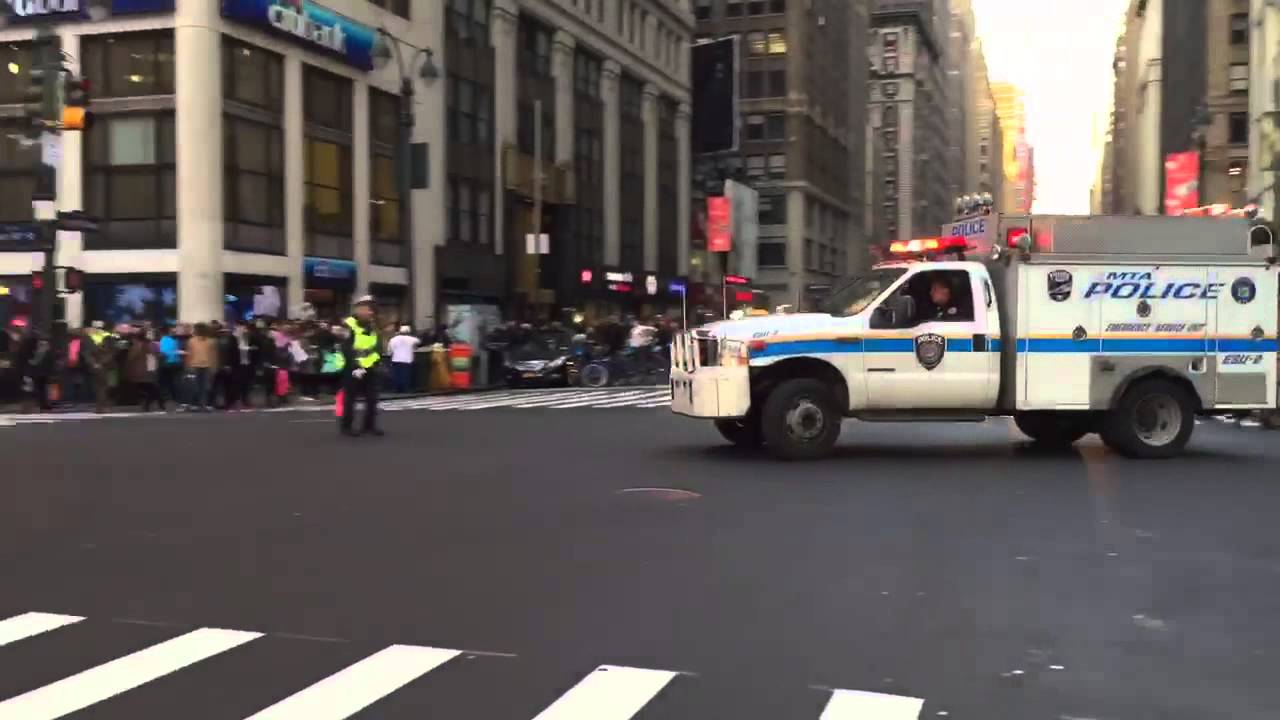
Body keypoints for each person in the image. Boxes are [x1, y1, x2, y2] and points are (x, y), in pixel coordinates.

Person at [339, 296, 384, 437]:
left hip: (370, 367)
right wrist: (355, 366)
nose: (370, 313)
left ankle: (369, 425)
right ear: (358, 309)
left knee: (372, 398)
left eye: (371, 310)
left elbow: (377, 346)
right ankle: (346, 427)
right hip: (354, 368)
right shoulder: (349, 324)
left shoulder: (373, 326)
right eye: (367, 309)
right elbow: (346, 348)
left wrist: (376, 362)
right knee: (350, 398)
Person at [124, 328, 163, 412]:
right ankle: (153, 403)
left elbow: (131, 358)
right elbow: (155, 357)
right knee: (151, 388)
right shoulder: (149, 345)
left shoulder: (139, 345)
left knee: (149, 388)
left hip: (141, 371)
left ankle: (150, 404)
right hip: (146, 371)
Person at [185, 323, 218, 411]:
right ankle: (192, 404)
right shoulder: (191, 341)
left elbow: (213, 356)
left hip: (206, 367)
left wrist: (214, 367)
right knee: (194, 386)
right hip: (194, 366)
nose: (197, 331)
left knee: (205, 387)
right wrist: (188, 366)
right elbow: (189, 354)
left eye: (198, 329)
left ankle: (202, 405)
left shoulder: (211, 341)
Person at [387, 325, 420, 393]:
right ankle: (405, 389)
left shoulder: (393, 339)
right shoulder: (412, 339)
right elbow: (418, 342)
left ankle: (396, 389)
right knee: (405, 375)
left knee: (396, 375)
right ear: (408, 332)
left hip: (396, 359)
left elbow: (389, 350)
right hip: (407, 359)